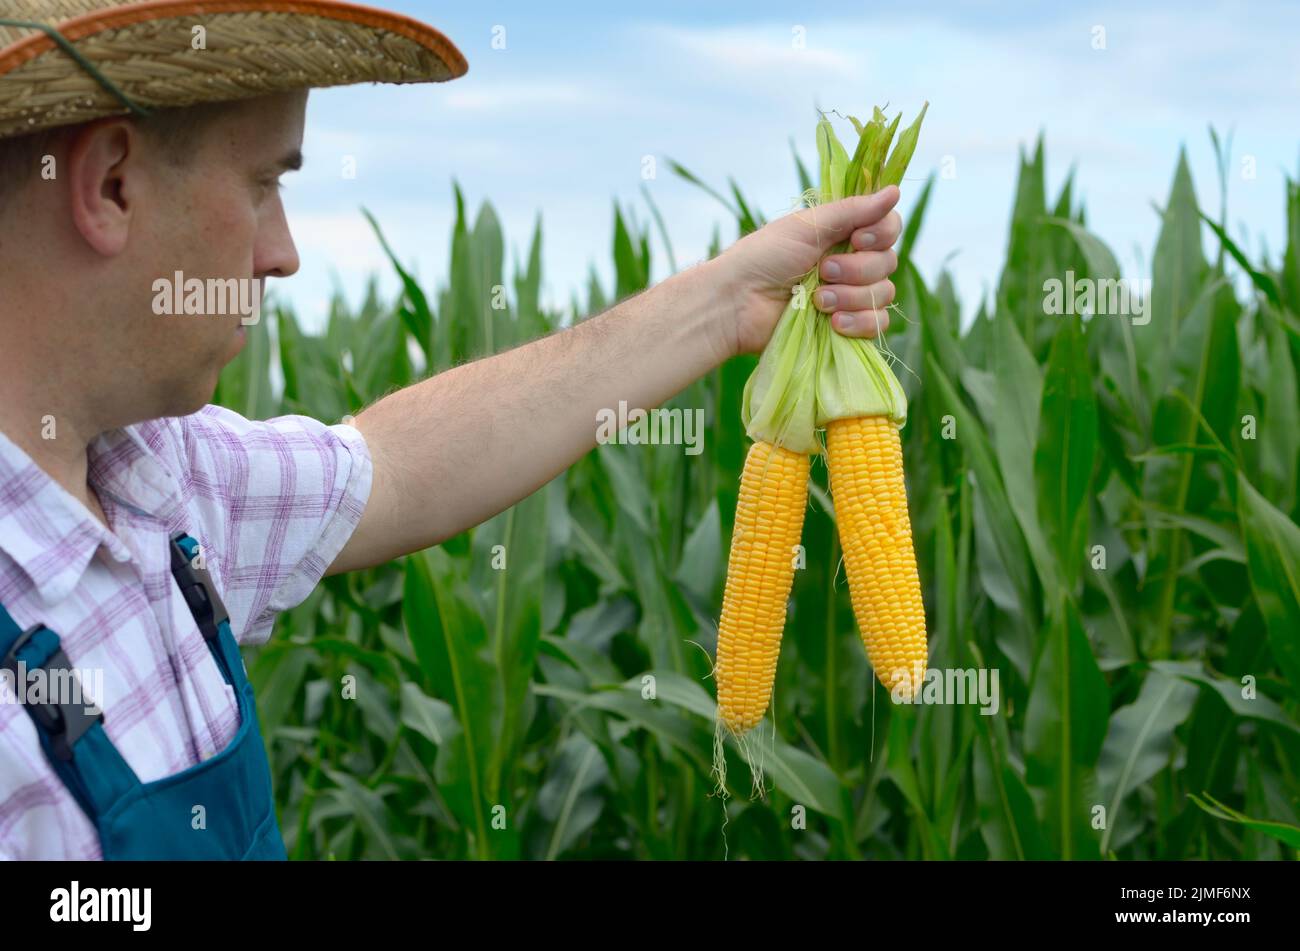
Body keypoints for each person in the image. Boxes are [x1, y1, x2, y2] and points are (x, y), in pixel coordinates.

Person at [0, 1, 903, 860]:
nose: (283, 251)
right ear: (110, 185)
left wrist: (729, 304)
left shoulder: (159, 482)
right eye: (264, 182)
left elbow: (391, 466)